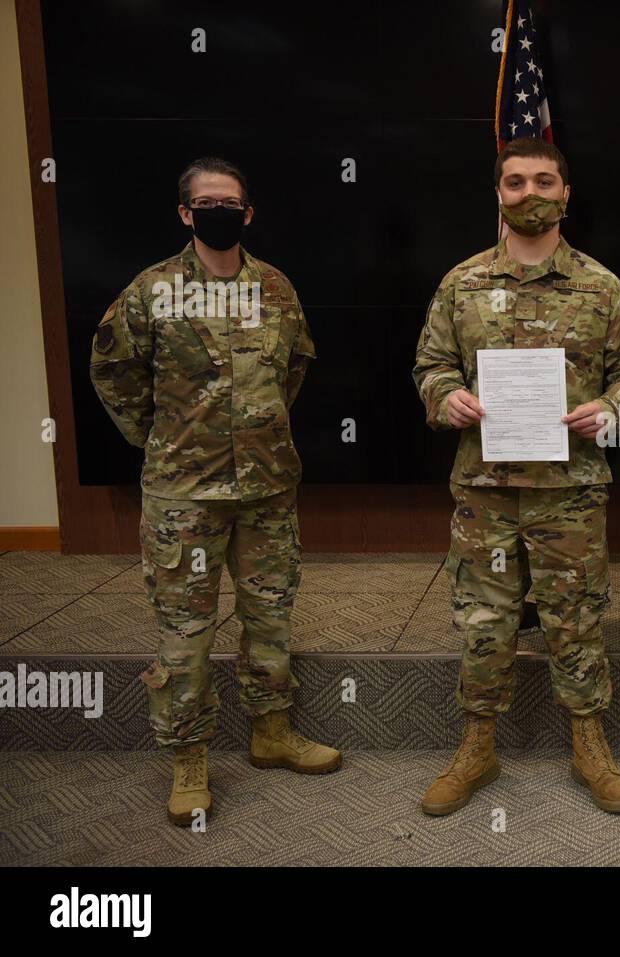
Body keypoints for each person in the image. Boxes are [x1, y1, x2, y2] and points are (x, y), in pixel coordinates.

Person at [90, 157, 340, 827]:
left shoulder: (277, 289)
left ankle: (271, 731)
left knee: (270, 617)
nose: (218, 210)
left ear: (248, 212)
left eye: (230, 201)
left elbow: (295, 366)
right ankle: (189, 759)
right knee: (185, 634)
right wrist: (161, 438)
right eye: (206, 201)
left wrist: (255, 429)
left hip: (265, 489)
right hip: (185, 497)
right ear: (185, 213)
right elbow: (112, 368)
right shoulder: (153, 290)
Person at [413, 137, 620, 816]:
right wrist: (445, 396)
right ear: (498, 193)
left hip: (569, 491)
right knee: (484, 622)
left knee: (575, 619)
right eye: (515, 182)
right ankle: (477, 747)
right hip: (485, 490)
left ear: (566, 193)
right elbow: (429, 364)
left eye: (543, 181)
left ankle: (589, 743)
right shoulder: (461, 284)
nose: (530, 194)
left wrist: (612, 408)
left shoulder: (603, 287)